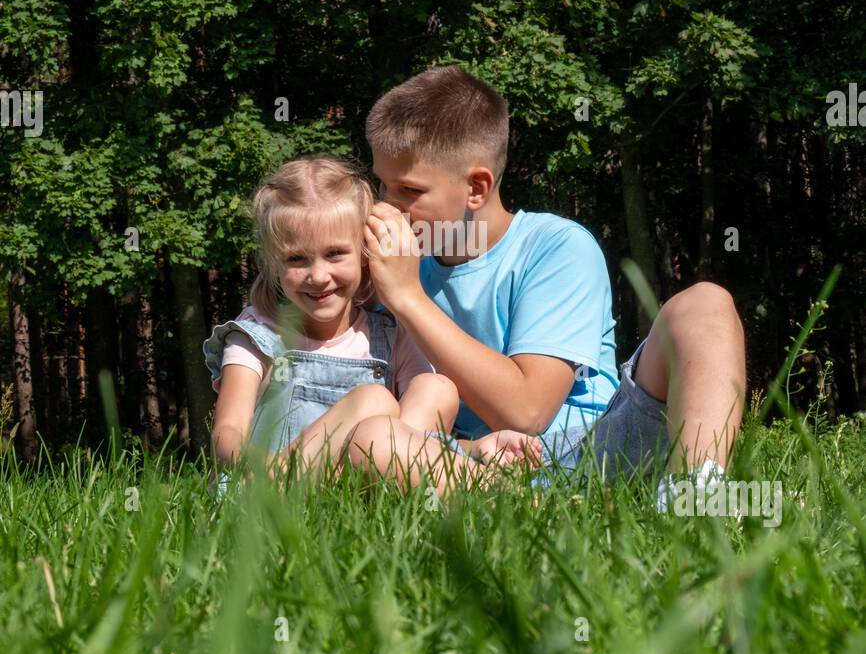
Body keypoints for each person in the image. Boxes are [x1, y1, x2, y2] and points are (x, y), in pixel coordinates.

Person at [352, 65, 745, 508]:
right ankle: (546, 511)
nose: (387, 207)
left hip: (594, 447)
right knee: (373, 440)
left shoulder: (555, 246)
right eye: (382, 185)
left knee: (705, 303)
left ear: (476, 187)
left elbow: (528, 411)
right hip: (483, 464)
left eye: (408, 190)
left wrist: (408, 298)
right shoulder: (399, 269)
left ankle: (695, 493)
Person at [203, 155, 539, 491]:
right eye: (296, 259)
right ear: (273, 263)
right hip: (264, 489)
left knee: (436, 388)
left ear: (365, 253)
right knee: (374, 401)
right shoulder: (259, 335)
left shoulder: (390, 334)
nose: (318, 276)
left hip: (363, 479)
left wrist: (472, 448)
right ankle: (492, 491)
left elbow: (407, 438)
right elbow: (227, 434)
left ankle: (463, 485)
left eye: (334, 254)